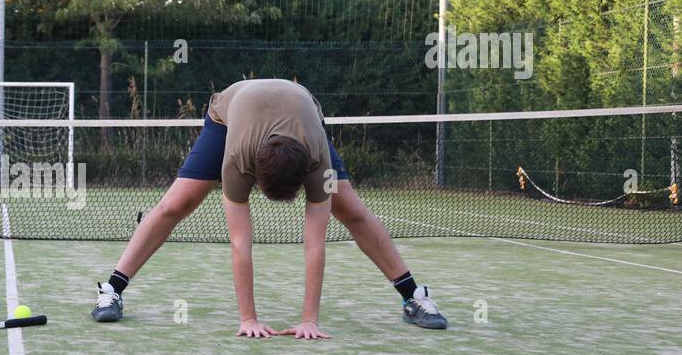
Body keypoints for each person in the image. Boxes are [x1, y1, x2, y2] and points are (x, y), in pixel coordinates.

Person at [92, 78, 446, 336]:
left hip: (304, 113)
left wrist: (310, 320)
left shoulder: (318, 160)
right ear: (253, 177)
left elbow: (315, 242)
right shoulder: (238, 159)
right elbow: (240, 242)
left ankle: (413, 297)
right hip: (230, 112)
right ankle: (111, 291)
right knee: (178, 202)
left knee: (350, 209)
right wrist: (248, 319)